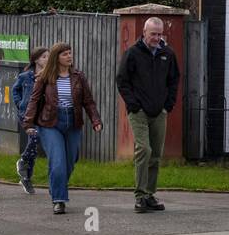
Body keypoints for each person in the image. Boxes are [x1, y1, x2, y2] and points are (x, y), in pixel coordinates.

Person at [21, 42, 101, 215]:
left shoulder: (79, 76)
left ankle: (55, 187)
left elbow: (88, 101)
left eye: (70, 53)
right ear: (57, 57)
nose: (69, 57)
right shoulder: (44, 77)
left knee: (69, 163)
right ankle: (59, 200)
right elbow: (34, 101)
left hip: (73, 122)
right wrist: (28, 123)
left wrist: (95, 120)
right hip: (50, 123)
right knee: (57, 162)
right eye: (65, 54)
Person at [115, 16, 180, 213]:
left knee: (156, 155)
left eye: (160, 34)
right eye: (153, 34)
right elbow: (122, 80)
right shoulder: (133, 53)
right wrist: (133, 105)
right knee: (144, 149)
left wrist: (167, 106)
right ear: (144, 32)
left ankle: (150, 194)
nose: (156, 38)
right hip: (139, 112)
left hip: (159, 111)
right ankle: (140, 195)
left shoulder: (168, 54)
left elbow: (174, 80)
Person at [11, 46, 49, 196]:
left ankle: (26, 176)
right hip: (26, 115)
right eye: (44, 57)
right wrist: (20, 103)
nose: (47, 59)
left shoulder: (49, 76)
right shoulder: (25, 76)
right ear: (36, 60)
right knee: (34, 138)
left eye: (48, 56)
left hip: (41, 115)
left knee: (33, 143)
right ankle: (22, 162)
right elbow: (15, 90)